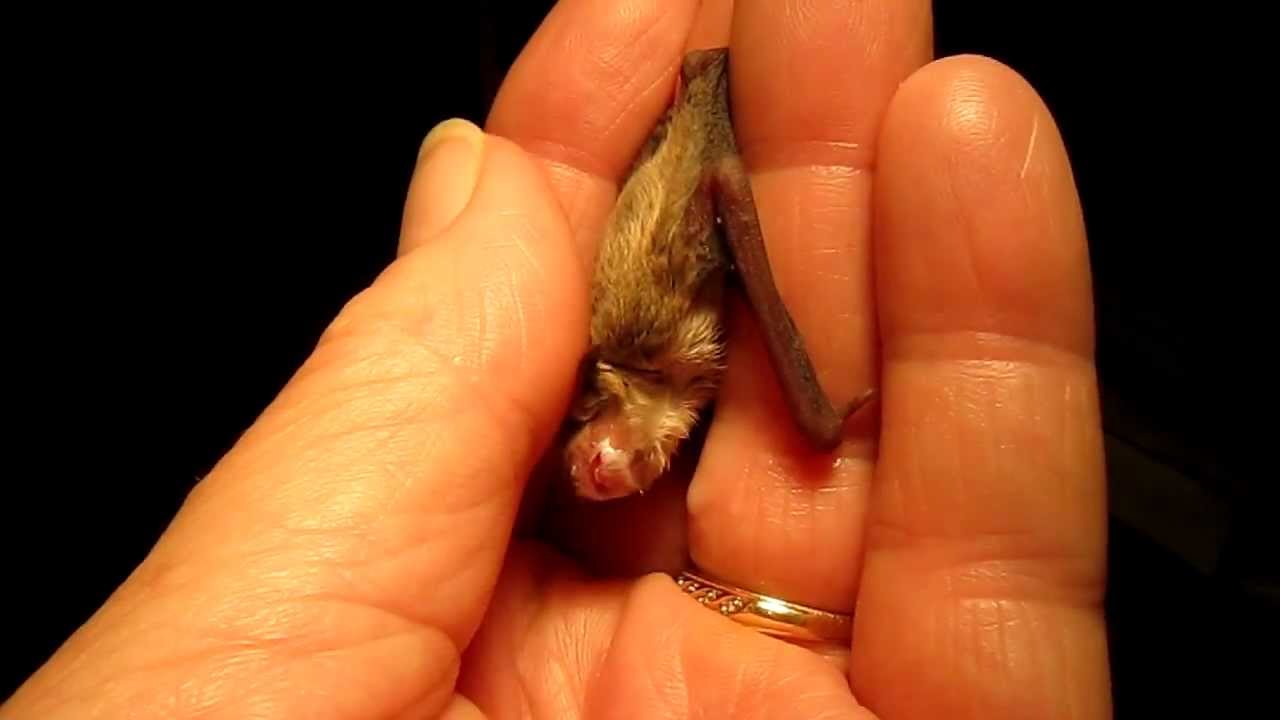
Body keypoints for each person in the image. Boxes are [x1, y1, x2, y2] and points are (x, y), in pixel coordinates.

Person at [4, 2, 1112, 718]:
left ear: (595, 420)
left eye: (596, 460)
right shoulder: (672, 376)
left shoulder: (629, 346)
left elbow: (716, 217)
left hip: (701, 180)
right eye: (612, 469)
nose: (600, 474)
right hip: (702, 192)